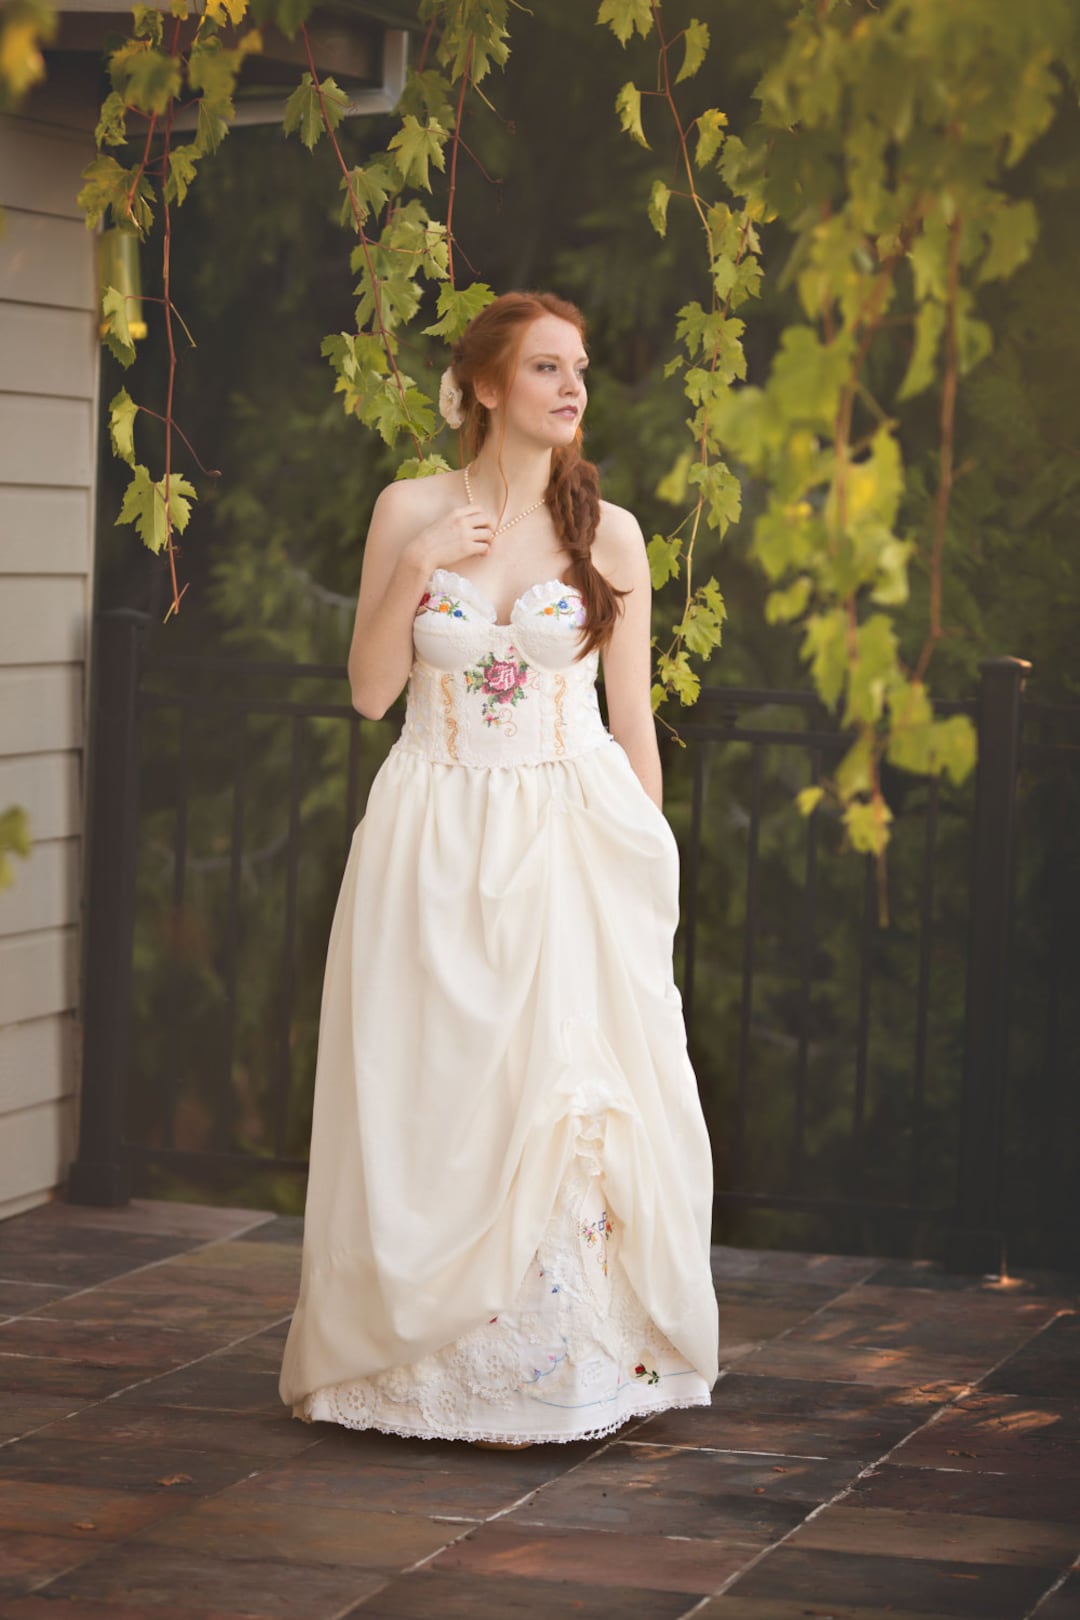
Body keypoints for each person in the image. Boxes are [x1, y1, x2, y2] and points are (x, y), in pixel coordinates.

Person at [278, 290, 719, 1445]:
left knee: (562, 1088)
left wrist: (644, 875)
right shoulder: (409, 509)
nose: (572, 388)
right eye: (544, 368)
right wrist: (423, 560)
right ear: (483, 387)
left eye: (578, 369)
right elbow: (372, 691)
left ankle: (564, 1370)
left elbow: (633, 728)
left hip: (569, 840)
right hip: (433, 823)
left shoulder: (606, 534)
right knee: (427, 1086)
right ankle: (410, 1367)